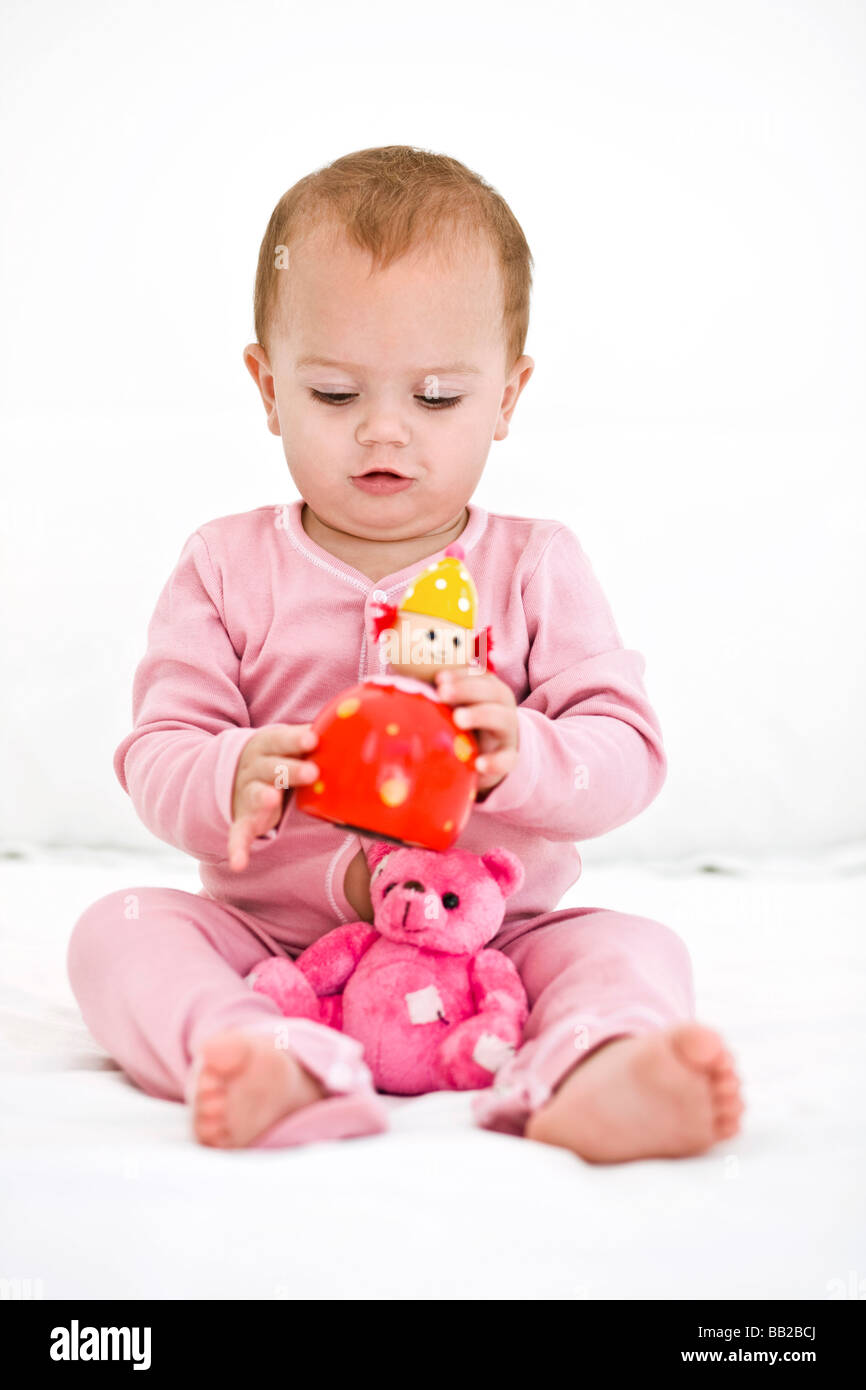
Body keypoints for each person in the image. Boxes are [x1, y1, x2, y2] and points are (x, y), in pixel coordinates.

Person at [67, 145, 744, 1159]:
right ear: (266, 387)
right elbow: (160, 747)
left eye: (435, 398)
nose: (384, 432)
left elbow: (626, 751)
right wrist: (230, 772)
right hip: (279, 949)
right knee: (115, 929)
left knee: (633, 945)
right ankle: (257, 1056)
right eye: (335, 394)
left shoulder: (533, 565)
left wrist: (520, 750)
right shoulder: (222, 564)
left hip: (491, 946)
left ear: (507, 397)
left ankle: (594, 1069)